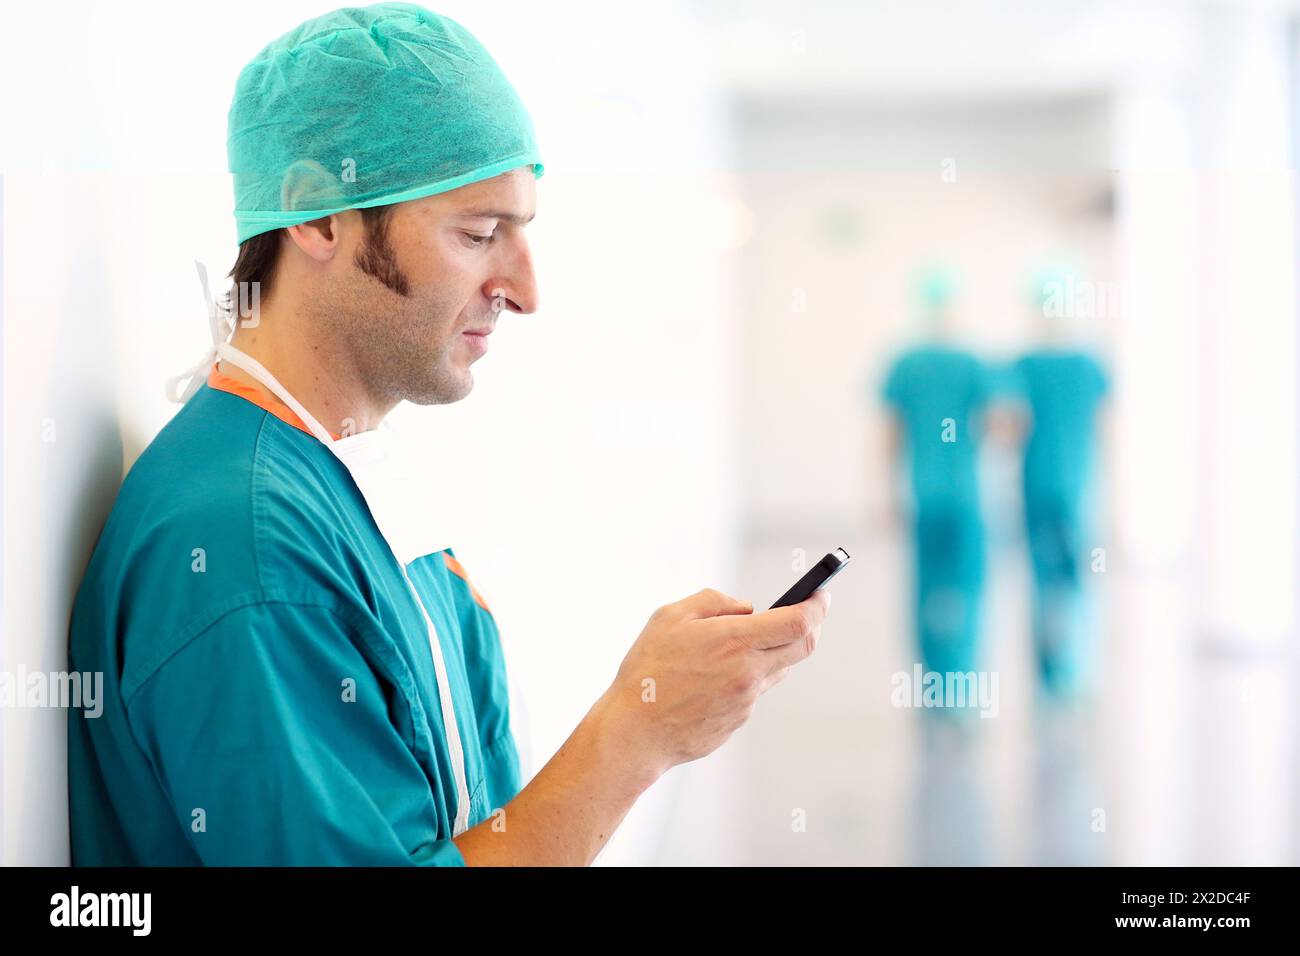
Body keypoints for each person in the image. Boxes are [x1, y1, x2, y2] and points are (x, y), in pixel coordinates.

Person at [67, 3, 829, 867]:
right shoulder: (243, 552)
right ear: (319, 218)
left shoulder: (348, 480)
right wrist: (636, 737)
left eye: (521, 233)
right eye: (478, 234)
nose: (525, 289)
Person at [880, 267, 994, 680]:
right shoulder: (974, 364)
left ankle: (933, 681)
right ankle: (957, 681)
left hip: (924, 493)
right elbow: (1000, 429)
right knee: (963, 587)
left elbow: (889, 438)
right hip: (965, 495)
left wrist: (885, 494)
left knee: (929, 589)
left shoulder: (907, 365)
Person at [1010, 268, 1110, 700]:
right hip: (1077, 486)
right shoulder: (1089, 365)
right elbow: (1104, 431)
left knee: (1041, 576)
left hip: (1036, 485)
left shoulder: (1023, 365)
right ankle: (1071, 670)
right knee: (1076, 578)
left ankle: (1049, 673)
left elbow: (1008, 428)